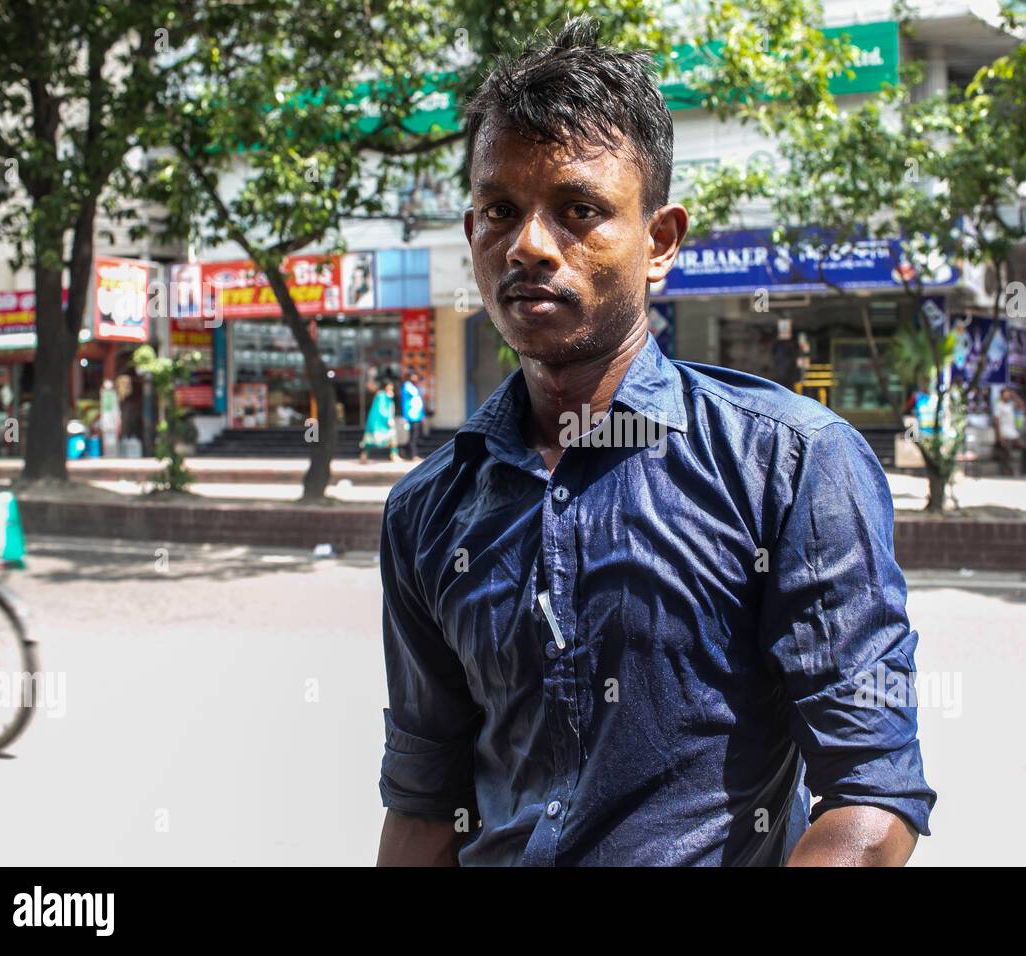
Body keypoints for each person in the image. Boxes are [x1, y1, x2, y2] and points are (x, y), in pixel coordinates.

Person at [374, 16, 935, 868]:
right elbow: (423, 808)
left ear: (660, 241)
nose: (529, 244)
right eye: (500, 209)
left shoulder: (788, 466)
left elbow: (870, 797)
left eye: (577, 210)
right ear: (472, 233)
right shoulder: (427, 510)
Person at [359, 378, 398, 464]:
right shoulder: (381, 395)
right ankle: (364, 455)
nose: (391, 387)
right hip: (379, 423)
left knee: (392, 437)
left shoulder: (386, 395)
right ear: (385, 386)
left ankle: (394, 455)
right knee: (371, 440)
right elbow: (381, 410)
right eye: (389, 385)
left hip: (382, 422)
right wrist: (388, 419)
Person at [993, 389, 1022, 475]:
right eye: (1005, 394)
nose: (1007, 396)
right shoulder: (999, 405)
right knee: (1007, 453)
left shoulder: (1010, 405)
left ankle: (1013, 470)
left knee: (1016, 451)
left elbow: (1021, 404)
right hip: (1004, 433)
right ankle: (1007, 471)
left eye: (1008, 395)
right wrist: (999, 436)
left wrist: (1015, 396)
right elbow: (996, 421)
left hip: (1013, 433)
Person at [399, 370, 425, 461]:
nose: (416, 377)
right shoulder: (406, 387)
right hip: (411, 415)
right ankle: (413, 455)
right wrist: (405, 416)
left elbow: (419, 401)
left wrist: (422, 415)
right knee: (413, 436)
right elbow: (404, 402)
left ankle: (403, 450)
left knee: (414, 436)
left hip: (417, 414)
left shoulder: (415, 387)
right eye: (414, 375)